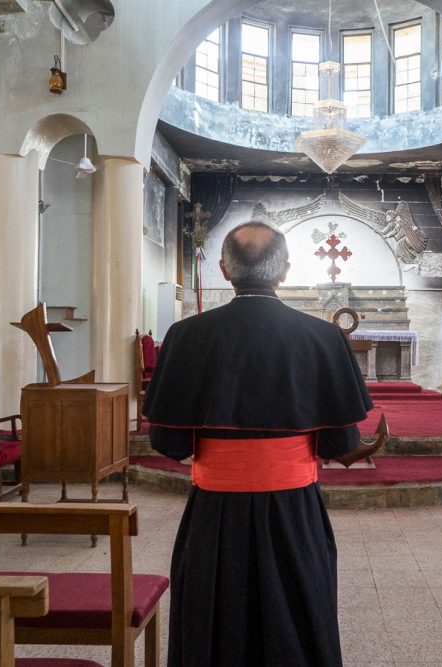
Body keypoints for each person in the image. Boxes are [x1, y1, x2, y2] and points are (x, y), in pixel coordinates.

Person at [143, 221, 372, 666]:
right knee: (299, 612)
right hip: (294, 509)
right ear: (284, 271)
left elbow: (167, 441)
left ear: (225, 270)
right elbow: (341, 441)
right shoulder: (323, 338)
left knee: (213, 620)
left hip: (215, 513)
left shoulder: (186, 337)